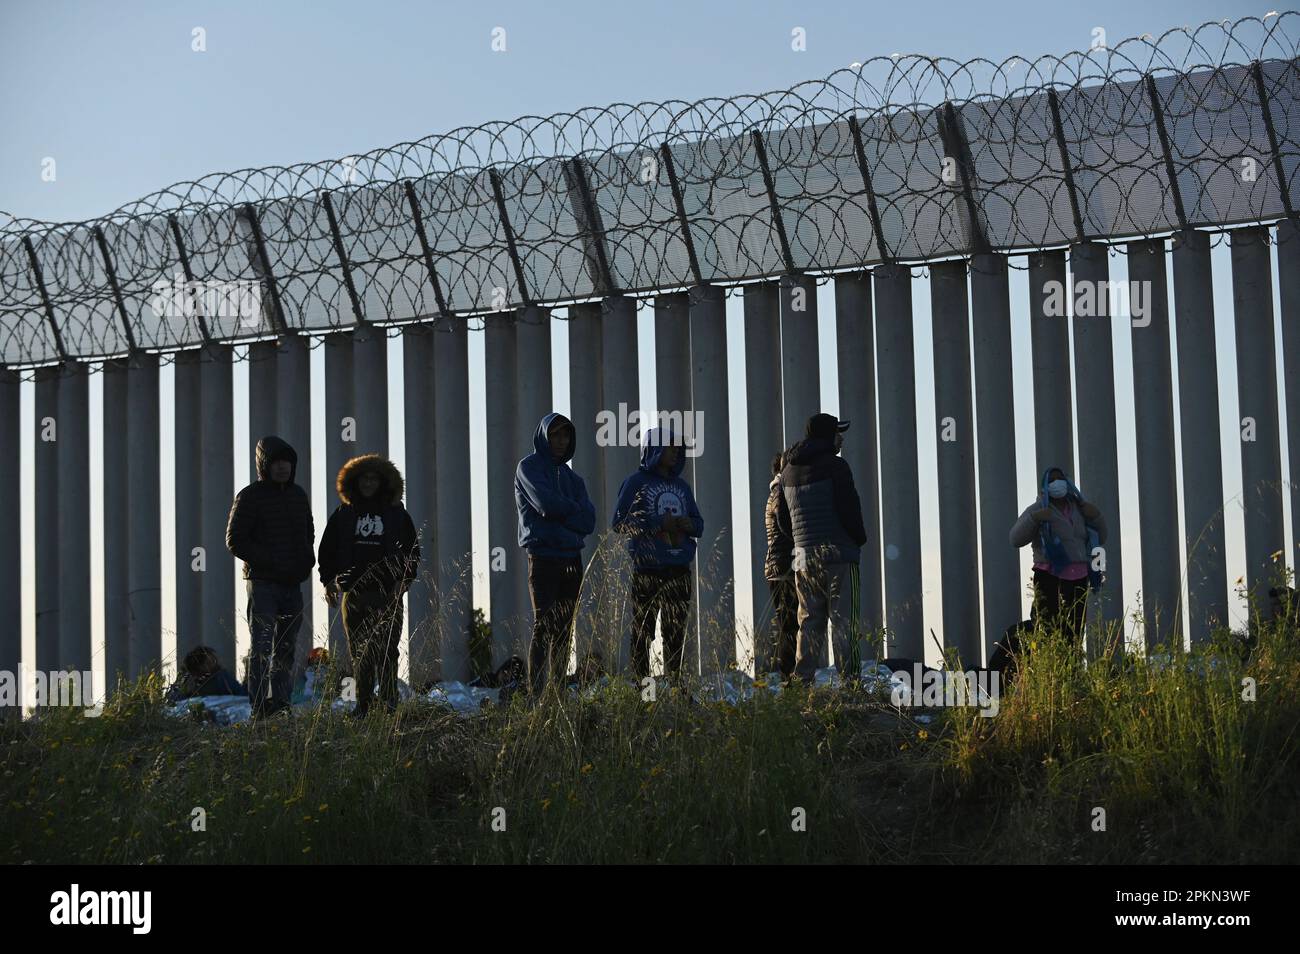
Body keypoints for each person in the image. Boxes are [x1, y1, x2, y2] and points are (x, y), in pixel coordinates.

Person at [318, 454, 420, 718]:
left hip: (387, 592)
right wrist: (328, 580)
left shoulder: (397, 515)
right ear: (355, 481)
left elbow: (412, 551)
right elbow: (327, 549)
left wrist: (403, 582)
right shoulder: (344, 513)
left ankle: (389, 705)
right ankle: (362, 706)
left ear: (382, 481)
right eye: (363, 478)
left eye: (373, 478)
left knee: (387, 651)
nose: (368, 483)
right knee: (359, 651)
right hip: (354, 594)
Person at [226, 435, 315, 718]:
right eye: (276, 462)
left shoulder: (298, 495)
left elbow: (308, 532)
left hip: (293, 584)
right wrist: (271, 561)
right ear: (265, 465)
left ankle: (281, 705)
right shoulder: (250, 496)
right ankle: (260, 708)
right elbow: (234, 540)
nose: (282, 467)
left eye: (287, 462)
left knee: (286, 647)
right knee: (262, 646)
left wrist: (306, 561)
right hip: (263, 584)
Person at [775, 413, 868, 685]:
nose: (841, 437)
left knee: (809, 621)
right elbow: (850, 509)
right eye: (838, 433)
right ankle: (850, 683)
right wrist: (858, 539)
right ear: (827, 435)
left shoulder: (788, 471)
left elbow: (782, 519)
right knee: (843, 620)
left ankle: (802, 682)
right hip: (839, 554)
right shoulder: (837, 466)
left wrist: (801, 541)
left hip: (803, 558)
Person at [612, 426, 704, 685]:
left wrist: (689, 524)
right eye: (670, 446)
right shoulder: (635, 483)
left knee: (675, 634)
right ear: (655, 449)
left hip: (679, 569)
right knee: (643, 633)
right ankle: (645, 695)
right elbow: (619, 523)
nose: (676, 451)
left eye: (678, 447)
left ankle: (675, 693)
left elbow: (700, 524)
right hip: (647, 569)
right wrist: (656, 522)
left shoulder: (682, 487)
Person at [516, 413, 596, 694]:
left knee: (564, 628)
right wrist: (571, 510)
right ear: (544, 436)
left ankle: (557, 692)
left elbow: (589, 522)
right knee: (544, 625)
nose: (561, 441)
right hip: (543, 556)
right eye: (555, 435)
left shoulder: (574, 479)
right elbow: (545, 504)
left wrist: (565, 512)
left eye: (566, 435)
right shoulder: (528, 468)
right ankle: (535, 694)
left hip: (572, 558)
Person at [1008, 465, 1107, 651]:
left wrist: (1097, 516)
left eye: (1060, 479)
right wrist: (1035, 518)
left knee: (1075, 630)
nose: (1057, 484)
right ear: (1044, 486)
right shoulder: (1039, 508)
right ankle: (1047, 668)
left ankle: (1070, 669)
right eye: (1051, 480)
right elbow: (1015, 538)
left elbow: (1100, 537)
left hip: (1078, 577)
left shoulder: (1079, 508)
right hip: (1049, 575)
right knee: (1047, 627)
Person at [764, 451, 798, 680]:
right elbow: (786, 524)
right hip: (784, 566)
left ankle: (789, 678)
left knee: (789, 625)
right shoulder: (781, 493)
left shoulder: (777, 492)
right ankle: (788, 679)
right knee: (790, 626)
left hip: (779, 566)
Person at [164, 646, 246, 704]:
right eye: (209, 663)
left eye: (214, 661)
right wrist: (188, 692)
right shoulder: (186, 678)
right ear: (198, 665)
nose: (214, 665)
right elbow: (172, 700)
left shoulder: (221, 677)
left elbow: (242, 696)